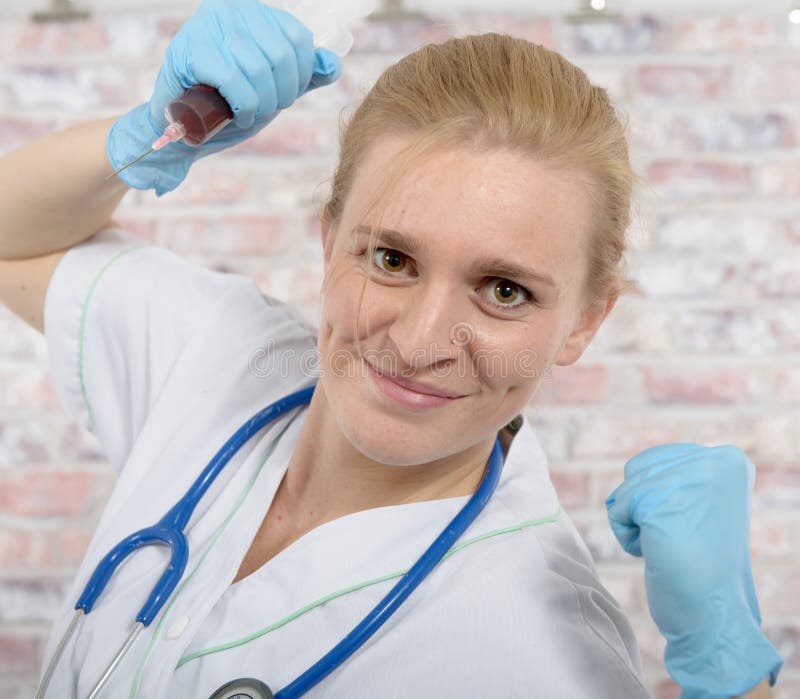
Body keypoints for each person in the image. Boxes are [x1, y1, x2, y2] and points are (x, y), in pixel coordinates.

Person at [0, 0, 782, 697]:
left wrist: (731, 680)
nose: (415, 342)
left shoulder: (540, 647)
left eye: (503, 289)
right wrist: (151, 133)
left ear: (584, 321)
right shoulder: (220, 355)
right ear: (329, 237)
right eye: (392, 260)